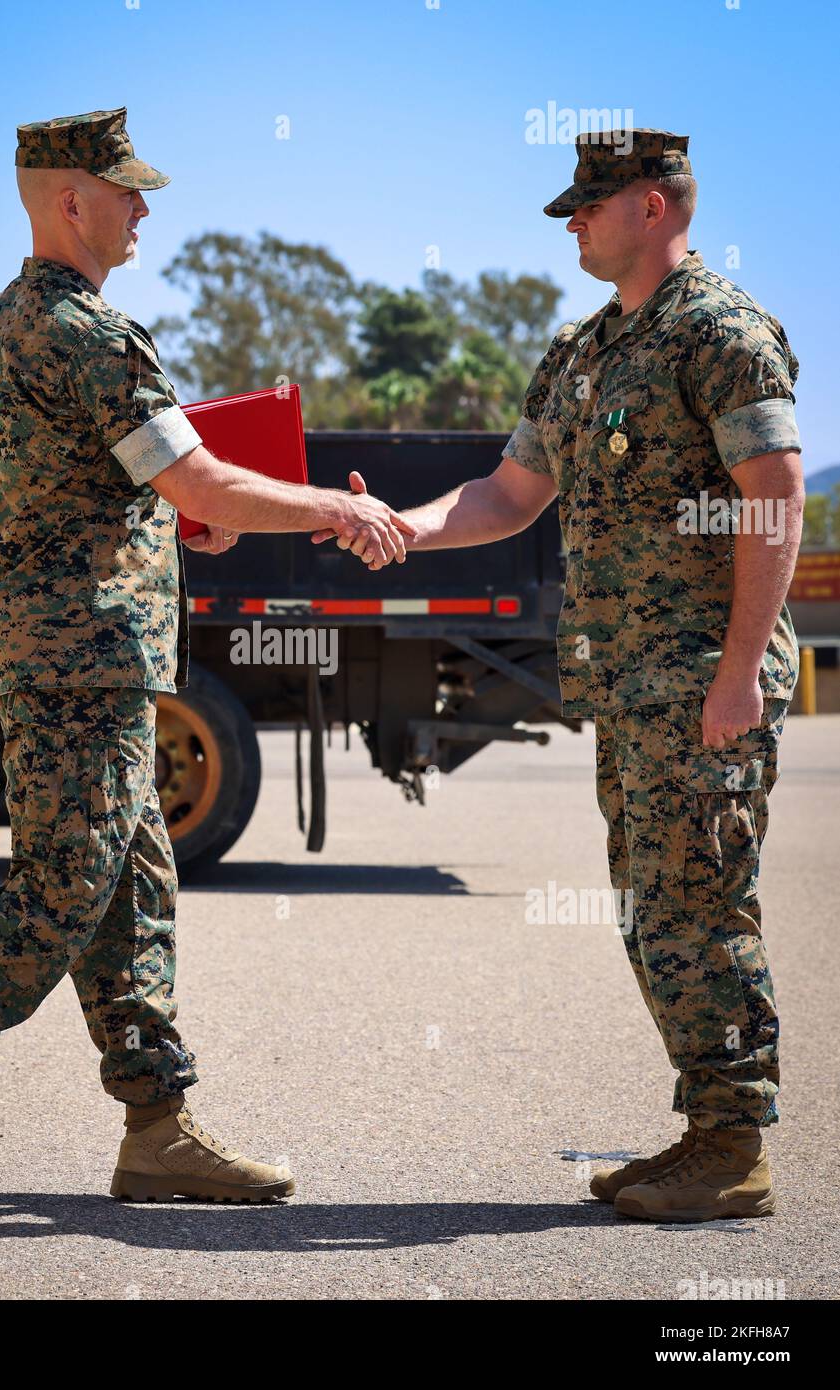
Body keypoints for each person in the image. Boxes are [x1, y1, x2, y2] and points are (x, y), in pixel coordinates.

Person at [0, 108, 413, 1211]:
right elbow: (199, 479)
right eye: (128, 190)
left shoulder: (4, 327)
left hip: (62, 646)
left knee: (130, 885)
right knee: (66, 881)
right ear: (69, 201)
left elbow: (107, 488)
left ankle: (158, 1127)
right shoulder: (85, 332)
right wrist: (337, 516)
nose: (144, 208)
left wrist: (171, 522)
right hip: (80, 655)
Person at [324, 129, 804, 1222]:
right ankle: (707, 1131)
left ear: (655, 205)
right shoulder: (582, 352)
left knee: (700, 906)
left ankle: (733, 1146)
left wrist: (737, 676)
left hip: (700, 686)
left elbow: (775, 496)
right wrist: (399, 526)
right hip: (630, 689)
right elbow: (506, 497)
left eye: (589, 206)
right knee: (652, 910)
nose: (573, 224)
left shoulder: (720, 333)